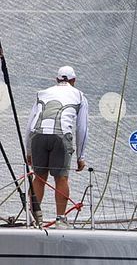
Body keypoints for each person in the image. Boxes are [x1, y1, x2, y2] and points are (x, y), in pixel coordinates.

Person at [24, 66, 89, 225]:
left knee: (39, 178)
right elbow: (82, 128)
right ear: (73, 81)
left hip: (37, 135)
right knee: (61, 178)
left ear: (57, 80)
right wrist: (81, 157)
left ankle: (33, 220)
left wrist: (29, 151)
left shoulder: (42, 93)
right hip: (61, 136)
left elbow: (29, 124)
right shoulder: (79, 96)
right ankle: (61, 219)